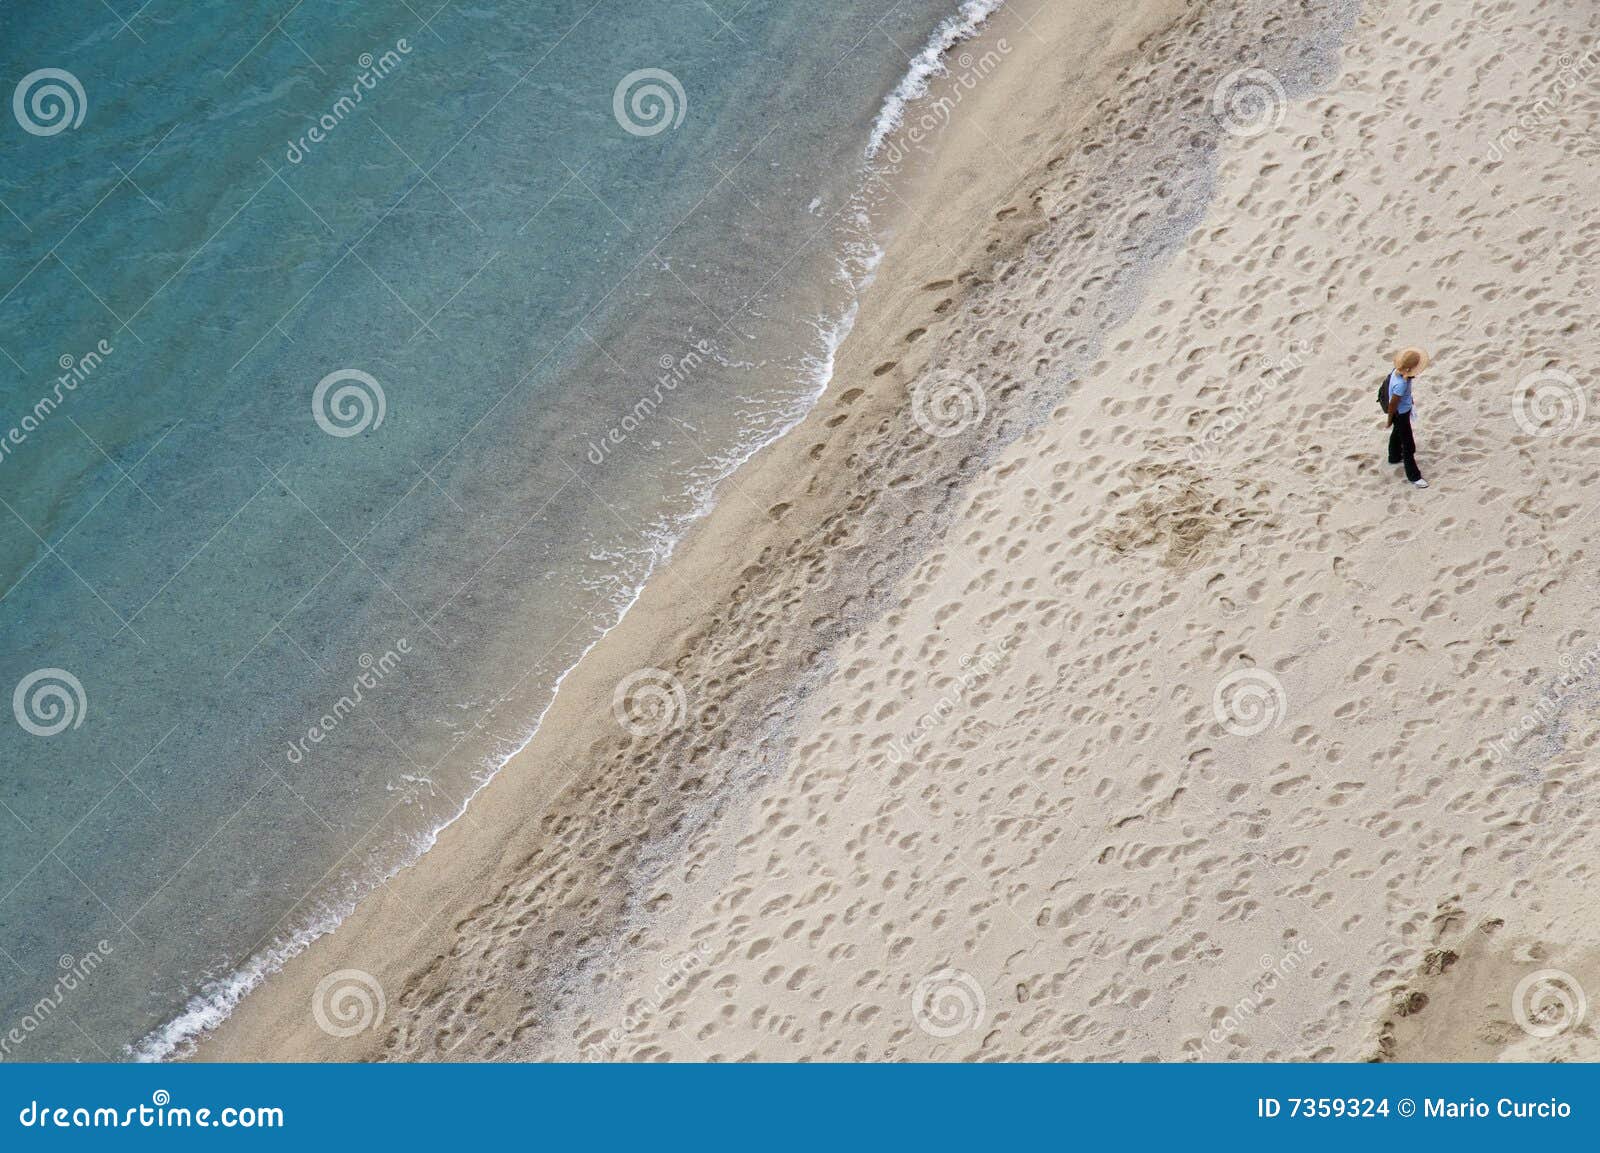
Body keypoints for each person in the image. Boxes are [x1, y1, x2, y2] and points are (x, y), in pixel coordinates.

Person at [1386, 347, 1429, 488]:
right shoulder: (1401, 384)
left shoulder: (1396, 373)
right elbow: (1393, 403)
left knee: (1397, 433)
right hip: (1401, 414)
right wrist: (1389, 419)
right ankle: (1414, 476)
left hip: (1401, 412)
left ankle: (1393, 457)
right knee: (1408, 445)